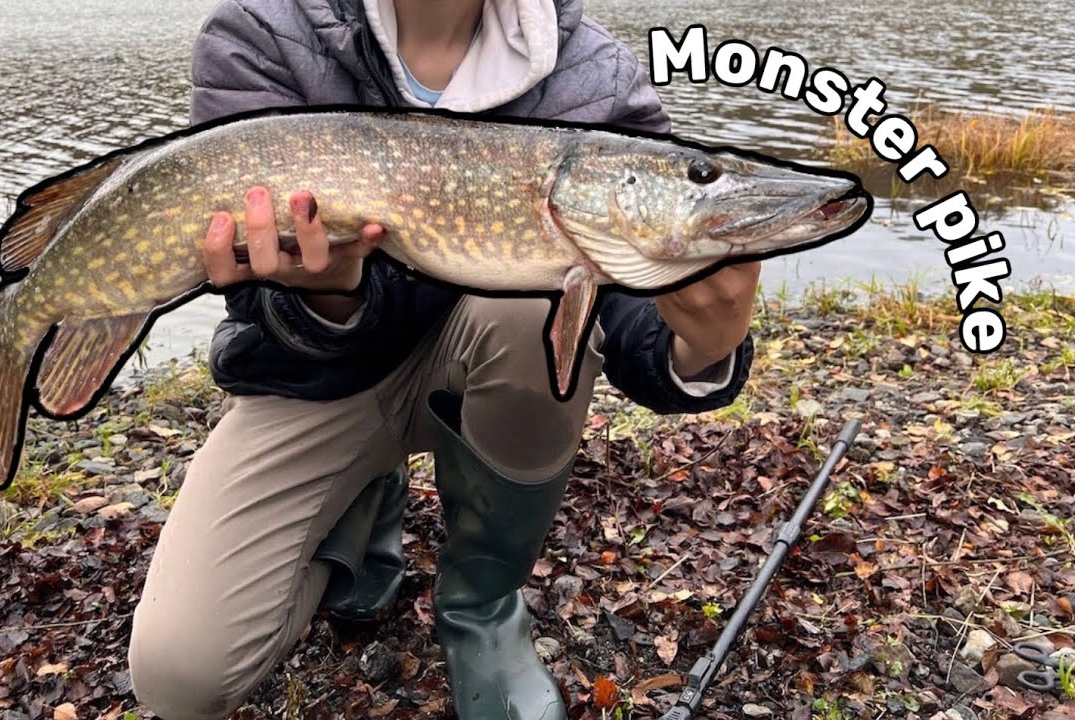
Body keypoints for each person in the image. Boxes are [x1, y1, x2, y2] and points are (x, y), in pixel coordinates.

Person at [126, 0, 760, 718]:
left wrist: (702, 345)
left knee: (530, 308)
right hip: (319, 380)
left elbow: (628, 310)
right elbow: (251, 302)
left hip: (491, 357)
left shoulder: (594, 74)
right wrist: (328, 294)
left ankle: (482, 602)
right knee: (180, 674)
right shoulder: (263, 36)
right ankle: (357, 516)